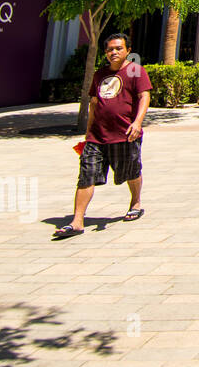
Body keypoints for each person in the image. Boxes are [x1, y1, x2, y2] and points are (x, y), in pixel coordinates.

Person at [54, 33, 151, 239]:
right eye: (110, 49)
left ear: (127, 50)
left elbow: (144, 96)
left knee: (131, 171)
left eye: (118, 48)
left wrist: (137, 122)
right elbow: (94, 103)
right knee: (86, 176)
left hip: (125, 134)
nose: (114, 52)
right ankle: (77, 221)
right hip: (97, 137)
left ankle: (135, 203)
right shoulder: (100, 74)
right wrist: (88, 133)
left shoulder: (136, 71)